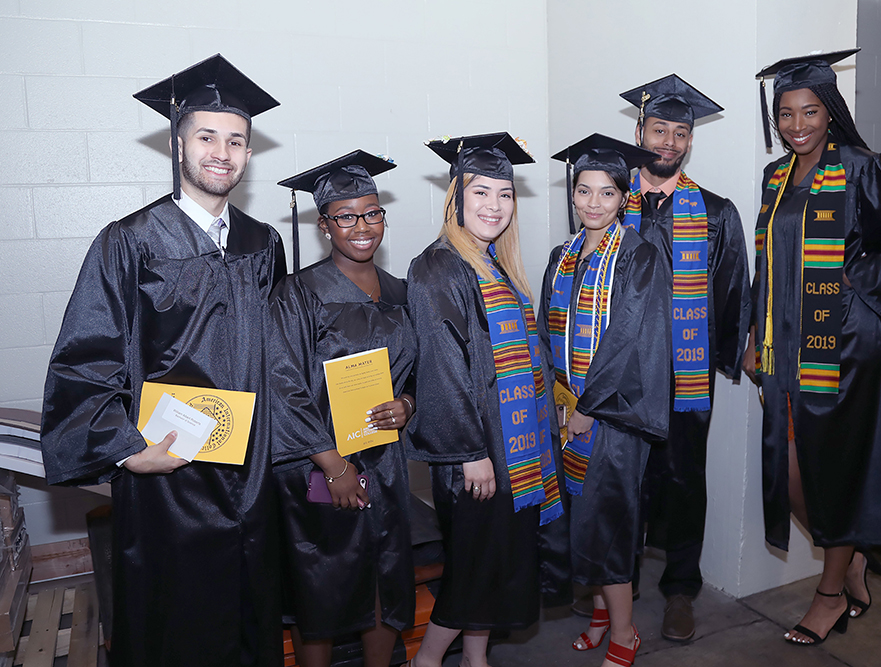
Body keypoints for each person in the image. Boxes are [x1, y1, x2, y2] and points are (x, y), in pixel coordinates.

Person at [39, 54, 285, 666]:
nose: (222, 152)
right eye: (207, 137)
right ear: (178, 145)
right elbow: (86, 356)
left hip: (252, 467)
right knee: (177, 619)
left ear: (248, 154)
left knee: (251, 609)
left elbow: (282, 352)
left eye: (236, 141)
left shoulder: (263, 243)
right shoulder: (130, 241)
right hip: (170, 473)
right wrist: (126, 449)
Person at [745, 49, 881, 645]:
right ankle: (854, 555)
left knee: (837, 473)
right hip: (782, 349)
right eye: (786, 114)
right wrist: (755, 337)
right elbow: (768, 263)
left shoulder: (863, 168)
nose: (797, 125)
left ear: (830, 112)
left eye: (810, 111)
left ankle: (830, 593)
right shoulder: (775, 177)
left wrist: (860, 274)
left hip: (843, 349)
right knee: (791, 477)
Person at [405, 132, 569, 667]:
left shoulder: (495, 263)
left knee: (494, 566)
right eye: (480, 192)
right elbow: (441, 368)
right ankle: (427, 660)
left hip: (514, 446)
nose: (494, 205)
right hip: (477, 452)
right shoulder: (437, 266)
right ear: (456, 197)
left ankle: (476, 659)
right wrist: (471, 452)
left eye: (504, 194)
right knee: (473, 572)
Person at [616, 74, 751, 641]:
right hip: (619, 372)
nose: (668, 142)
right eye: (658, 130)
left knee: (683, 476)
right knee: (618, 475)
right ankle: (616, 584)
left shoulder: (715, 212)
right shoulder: (607, 201)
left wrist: (737, 353)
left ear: (690, 140)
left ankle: (679, 590)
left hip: (683, 371)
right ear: (640, 132)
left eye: (679, 133)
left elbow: (733, 288)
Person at [270, 151, 416, 667]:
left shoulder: (400, 291)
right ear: (324, 224)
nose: (362, 226)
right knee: (322, 581)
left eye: (372, 213)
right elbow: (283, 384)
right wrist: (333, 465)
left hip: (385, 461)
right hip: (318, 464)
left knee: (384, 575)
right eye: (346, 216)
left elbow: (417, 373)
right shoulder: (297, 293)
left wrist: (407, 404)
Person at [541, 134, 671, 667]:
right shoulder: (563, 256)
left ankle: (624, 631)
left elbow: (627, 338)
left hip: (614, 414)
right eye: (584, 191)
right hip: (568, 411)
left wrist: (588, 408)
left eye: (607, 192)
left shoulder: (638, 255)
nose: (593, 203)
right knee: (582, 518)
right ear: (572, 194)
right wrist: (558, 404)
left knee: (609, 522)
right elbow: (548, 335)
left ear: (624, 197)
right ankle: (598, 615)